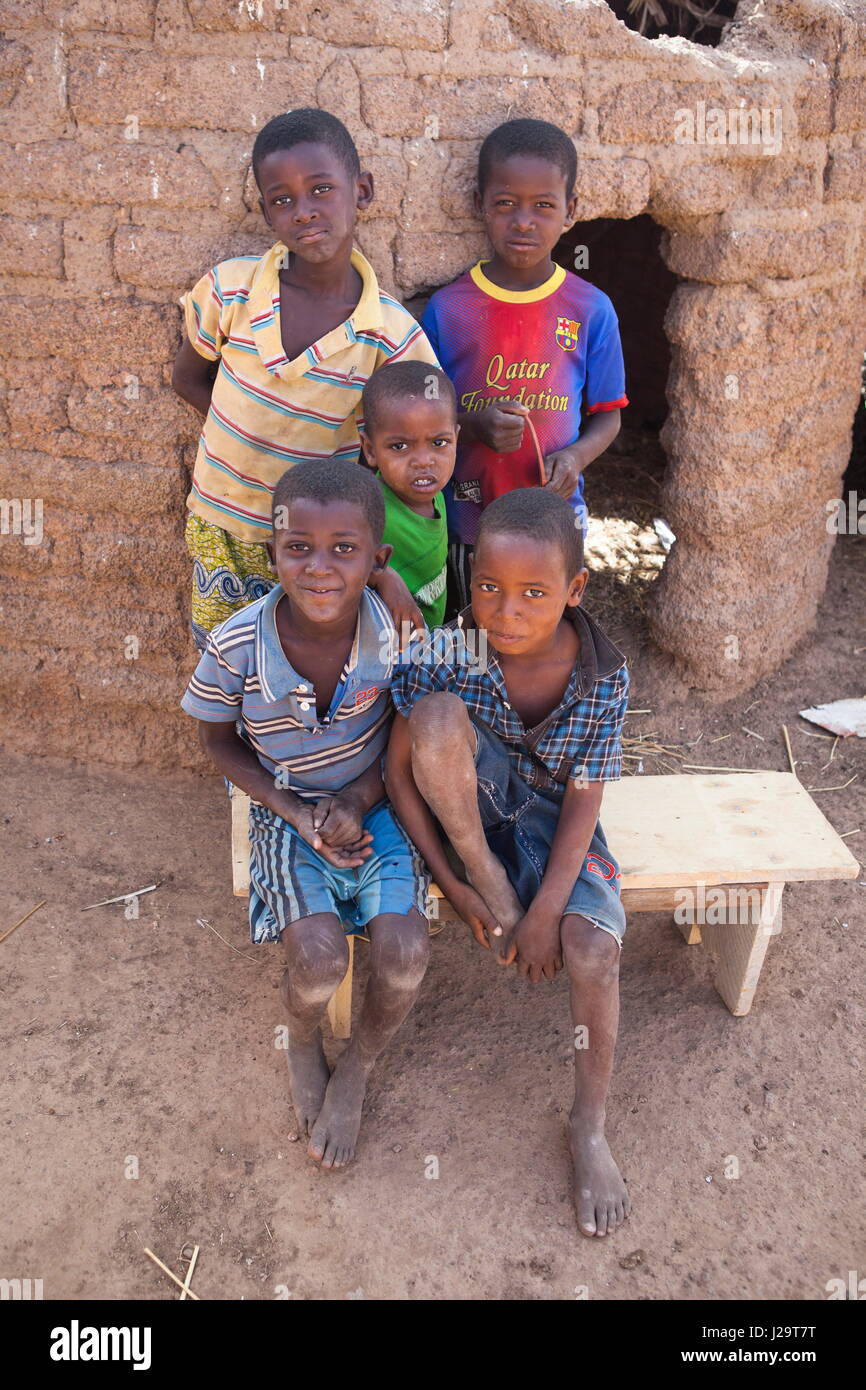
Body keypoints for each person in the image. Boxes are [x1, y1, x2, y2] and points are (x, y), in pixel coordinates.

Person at [385, 488, 631, 1236]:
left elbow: (586, 803)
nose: (507, 611)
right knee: (432, 717)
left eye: (534, 593)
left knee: (593, 949)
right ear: (470, 580)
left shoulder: (602, 674)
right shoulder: (447, 652)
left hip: (557, 825)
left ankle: (587, 1126)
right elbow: (401, 775)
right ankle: (492, 878)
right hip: (472, 820)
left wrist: (550, 911)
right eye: (488, 587)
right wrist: (462, 889)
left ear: (575, 590)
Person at [181, 459, 431, 1169]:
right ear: (272, 555)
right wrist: (293, 810)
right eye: (298, 547)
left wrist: (358, 800)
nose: (320, 568)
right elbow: (217, 741)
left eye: (345, 550)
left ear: (378, 560)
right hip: (284, 810)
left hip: (376, 798)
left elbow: (411, 736)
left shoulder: (396, 635)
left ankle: (357, 1069)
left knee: (406, 955)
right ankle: (302, 1041)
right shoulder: (237, 644)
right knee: (318, 964)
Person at [172, 107, 438, 649]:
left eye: (321, 189)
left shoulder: (391, 334)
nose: (304, 211)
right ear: (267, 211)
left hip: (323, 547)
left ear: (361, 190)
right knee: (231, 667)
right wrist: (253, 442)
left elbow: (411, 436)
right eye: (283, 199)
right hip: (224, 525)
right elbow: (188, 378)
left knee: (315, 666)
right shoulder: (231, 290)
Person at [421, 117, 628, 612]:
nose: (523, 221)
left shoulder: (590, 309)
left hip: (555, 520)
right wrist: (471, 427)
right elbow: (421, 419)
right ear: (480, 205)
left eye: (543, 206)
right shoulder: (449, 309)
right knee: (472, 629)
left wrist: (575, 458)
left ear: (570, 211)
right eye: (506, 204)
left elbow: (608, 414)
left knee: (543, 630)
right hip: (468, 516)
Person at [359, 360, 458, 630]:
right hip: (382, 652)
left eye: (439, 443)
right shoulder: (367, 510)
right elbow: (327, 559)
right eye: (400, 446)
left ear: (456, 439)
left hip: (427, 641)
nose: (424, 461)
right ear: (369, 450)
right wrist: (382, 576)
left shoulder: (437, 493)